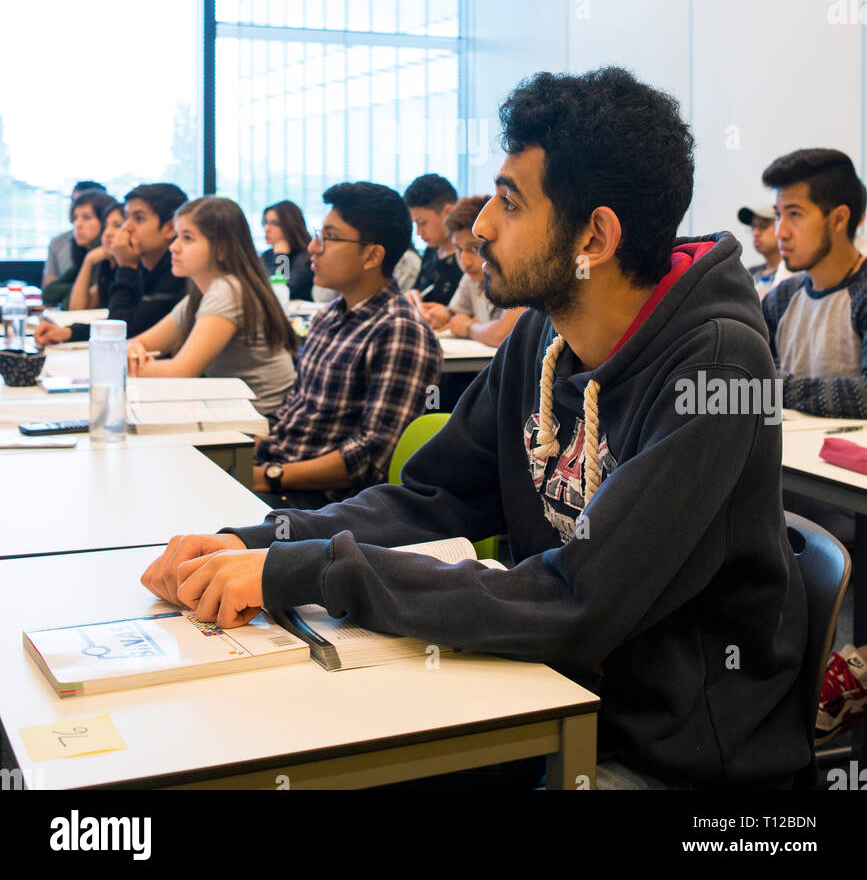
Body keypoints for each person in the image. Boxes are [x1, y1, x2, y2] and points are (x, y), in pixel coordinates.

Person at [143, 68, 809, 790]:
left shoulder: (717, 366)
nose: (482, 224)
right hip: (548, 695)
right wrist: (260, 543)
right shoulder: (541, 339)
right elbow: (432, 498)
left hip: (668, 755)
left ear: (594, 236)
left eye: (510, 201)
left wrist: (311, 571)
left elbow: (576, 602)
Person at [242, 181, 440, 510]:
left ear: (372, 255)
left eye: (330, 237)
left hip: (321, 508)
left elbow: (368, 457)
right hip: (281, 477)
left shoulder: (400, 330)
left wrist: (269, 475)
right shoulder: (327, 317)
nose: (314, 247)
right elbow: (295, 419)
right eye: (319, 234)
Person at [126, 197, 296, 419]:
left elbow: (181, 372)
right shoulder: (203, 292)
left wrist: (125, 365)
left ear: (222, 249)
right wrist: (132, 352)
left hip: (265, 419)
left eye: (187, 238)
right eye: (177, 236)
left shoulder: (229, 290)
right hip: (236, 410)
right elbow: (137, 342)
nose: (173, 247)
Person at [761, 149, 867, 419]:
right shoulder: (781, 298)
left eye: (794, 214)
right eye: (778, 214)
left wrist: (776, 388)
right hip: (785, 457)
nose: (780, 232)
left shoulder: (862, 294)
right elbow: (749, 384)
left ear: (839, 219)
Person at [34, 183, 188, 346]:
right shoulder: (143, 266)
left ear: (170, 228)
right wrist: (67, 332)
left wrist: (126, 267)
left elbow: (121, 331)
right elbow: (119, 322)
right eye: (127, 217)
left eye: (138, 218)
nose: (126, 227)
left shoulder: (177, 272)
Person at [421, 194, 524, 347]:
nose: (465, 262)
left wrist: (469, 328)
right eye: (458, 250)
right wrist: (441, 316)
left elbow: (502, 334)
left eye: (474, 248)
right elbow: (455, 312)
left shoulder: (520, 276)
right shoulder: (471, 277)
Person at [40, 190, 118, 308]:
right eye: (75, 218)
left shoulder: (110, 260)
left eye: (86, 218)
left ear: (104, 222)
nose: (77, 224)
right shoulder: (83, 253)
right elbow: (48, 293)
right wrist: (76, 286)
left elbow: (72, 307)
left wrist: (89, 261)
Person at [403, 173, 461, 306]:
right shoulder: (432, 250)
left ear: (448, 213)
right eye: (415, 224)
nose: (418, 232)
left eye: (422, 223)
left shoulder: (469, 259)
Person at [42, 180, 106, 288]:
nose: (74, 207)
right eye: (73, 201)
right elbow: (48, 291)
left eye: (86, 217)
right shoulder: (59, 242)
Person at [67, 198, 125, 311]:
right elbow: (76, 310)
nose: (107, 233)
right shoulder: (108, 264)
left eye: (117, 226)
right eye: (106, 226)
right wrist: (88, 261)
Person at [737, 199, 793, 299]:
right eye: (753, 227)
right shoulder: (749, 274)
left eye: (763, 226)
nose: (755, 233)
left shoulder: (793, 274)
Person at [259, 200, 314, 301]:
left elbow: (281, 292)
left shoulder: (307, 256)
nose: (266, 228)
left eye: (274, 223)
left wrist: (281, 256)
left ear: (291, 225)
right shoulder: (266, 255)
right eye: (265, 222)